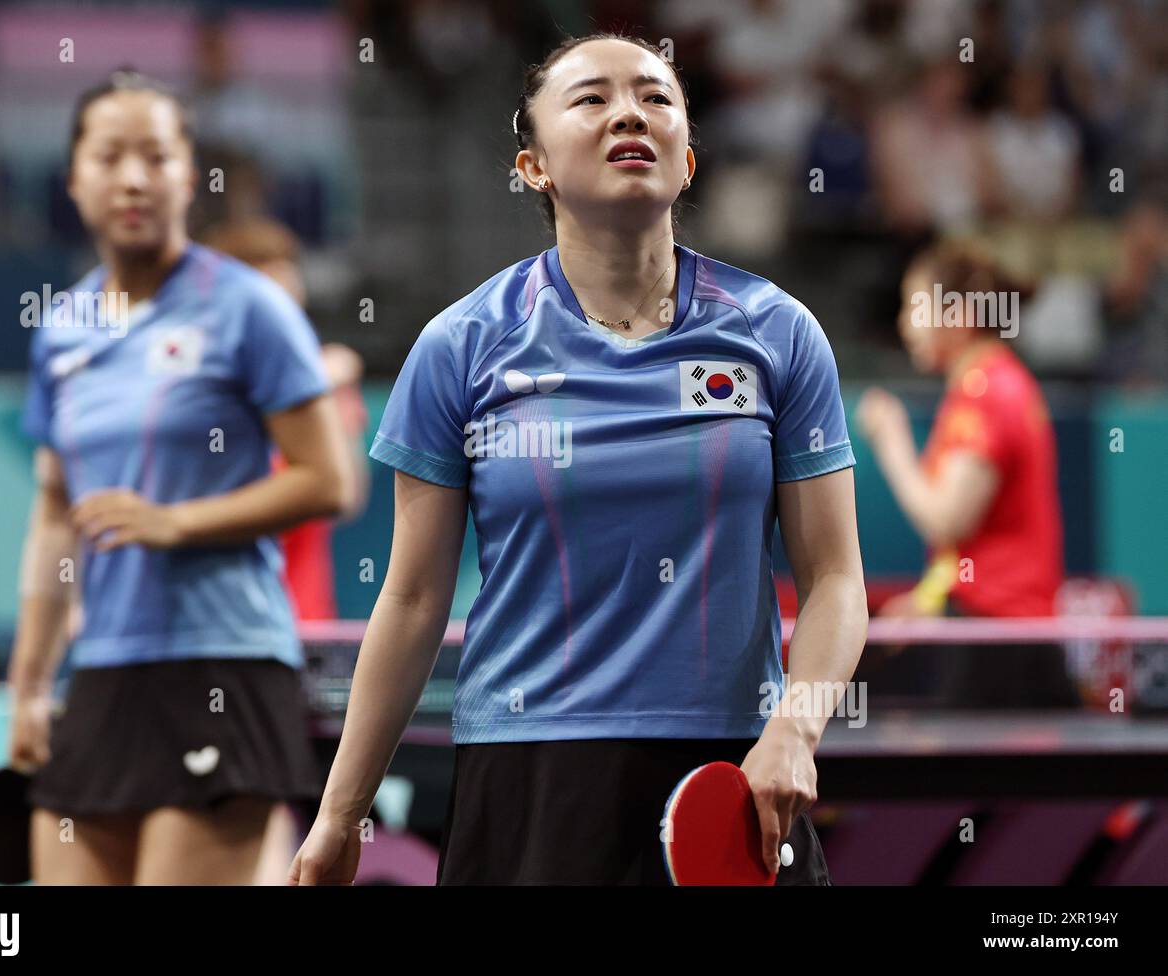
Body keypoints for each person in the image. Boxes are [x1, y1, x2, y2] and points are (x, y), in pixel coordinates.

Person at [289, 34, 867, 886]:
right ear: (534, 166)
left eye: (655, 97)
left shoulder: (775, 331)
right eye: (592, 98)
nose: (629, 111)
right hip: (531, 772)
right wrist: (340, 814)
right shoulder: (463, 346)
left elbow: (836, 581)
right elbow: (412, 599)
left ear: (689, 161)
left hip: (734, 769)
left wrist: (796, 727)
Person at [7, 70, 357, 884]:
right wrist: (29, 684)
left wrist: (178, 522)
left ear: (188, 175)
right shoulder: (62, 328)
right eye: (110, 156)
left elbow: (327, 481)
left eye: (156, 156)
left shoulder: (246, 308)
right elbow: (57, 514)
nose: (134, 177)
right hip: (102, 671)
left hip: (223, 664)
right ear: (74, 178)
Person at [199, 216, 371, 884]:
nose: (286, 325)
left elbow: (343, 495)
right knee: (244, 819)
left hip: (305, 644)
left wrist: (324, 395)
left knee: (285, 820)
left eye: (292, 307)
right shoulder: (204, 399)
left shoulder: (315, 392)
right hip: (221, 645)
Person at [856, 240, 1080, 708]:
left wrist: (893, 441)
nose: (904, 324)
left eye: (913, 307)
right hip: (1002, 631)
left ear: (956, 315)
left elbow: (947, 520)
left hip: (1001, 641)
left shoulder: (987, 392)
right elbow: (969, 544)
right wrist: (931, 598)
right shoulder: (991, 383)